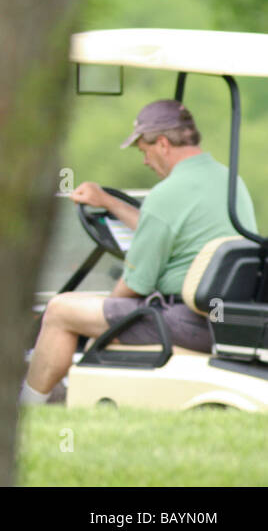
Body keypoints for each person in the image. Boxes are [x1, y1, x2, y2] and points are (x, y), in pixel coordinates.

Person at [21, 99, 258, 405]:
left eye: (144, 151)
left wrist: (103, 316)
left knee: (61, 310)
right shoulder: (229, 181)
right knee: (90, 313)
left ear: (162, 143)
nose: (145, 161)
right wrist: (109, 202)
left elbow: (135, 285)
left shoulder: (167, 194)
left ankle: (26, 408)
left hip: (184, 321)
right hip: (225, 320)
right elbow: (162, 226)